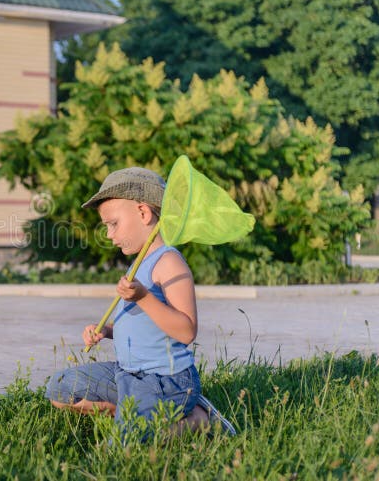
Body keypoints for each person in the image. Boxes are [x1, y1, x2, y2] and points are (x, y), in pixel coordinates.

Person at [45, 166, 236, 436]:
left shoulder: (168, 262)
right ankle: (130, 413)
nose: (109, 234)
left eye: (113, 224)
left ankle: (198, 418)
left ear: (143, 213)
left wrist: (143, 297)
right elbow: (142, 324)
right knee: (59, 390)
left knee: (130, 447)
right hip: (128, 374)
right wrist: (107, 331)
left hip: (166, 381)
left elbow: (186, 330)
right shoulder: (139, 263)